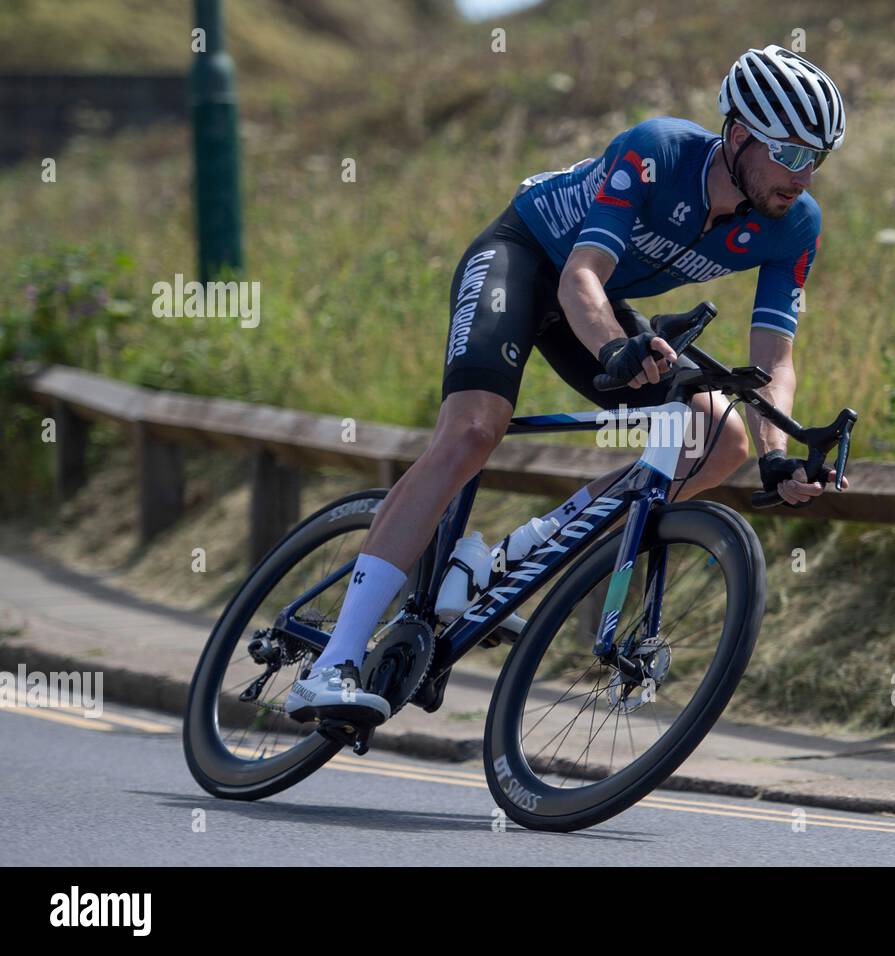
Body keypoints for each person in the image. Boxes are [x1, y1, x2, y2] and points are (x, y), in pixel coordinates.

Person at [287, 44, 850, 725]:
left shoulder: (795, 225)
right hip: (527, 261)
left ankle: (521, 552)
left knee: (718, 442)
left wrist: (778, 452)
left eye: (817, 159)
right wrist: (615, 346)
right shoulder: (657, 151)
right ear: (738, 135)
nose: (805, 176)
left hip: (598, 302)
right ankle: (332, 664)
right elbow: (580, 273)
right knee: (473, 430)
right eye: (790, 154)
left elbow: (774, 359)